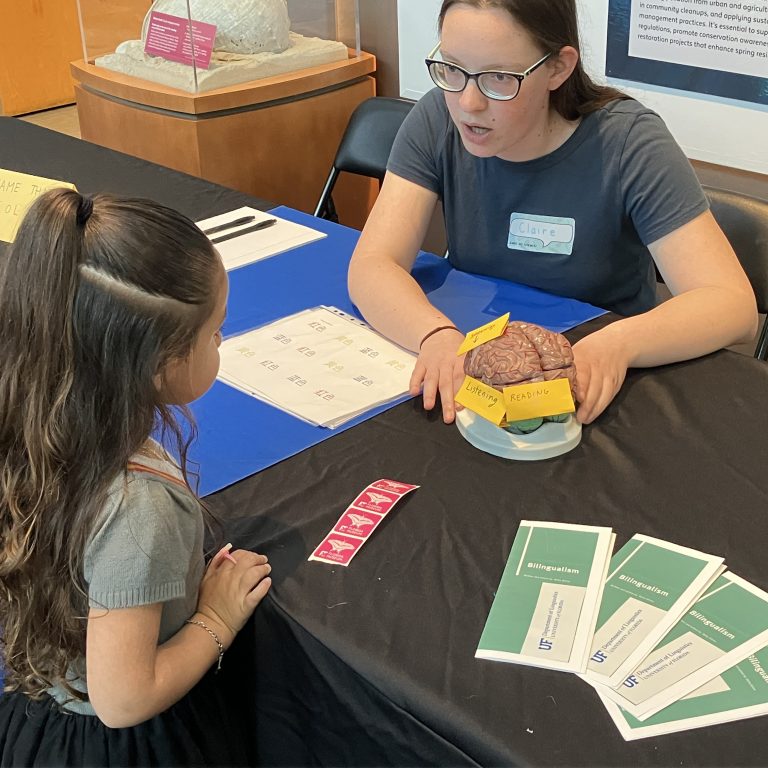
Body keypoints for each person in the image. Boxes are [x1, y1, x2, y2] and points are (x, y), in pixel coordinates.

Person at [348, 0, 757, 426]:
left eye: (499, 78)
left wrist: (617, 343)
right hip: (482, 359)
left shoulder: (627, 142)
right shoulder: (437, 117)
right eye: (452, 68)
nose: (467, 102)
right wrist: (435, 336)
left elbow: (732, 305)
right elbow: (374, 263)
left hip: (594, 380)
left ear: (559, 68)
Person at [0, 189, 272, 766]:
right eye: (214, 332)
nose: (222, 341)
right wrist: (215, 620)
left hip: (41, 703)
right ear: (157, 364)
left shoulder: (31, 417)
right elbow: (123, 698)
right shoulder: (138, 511)